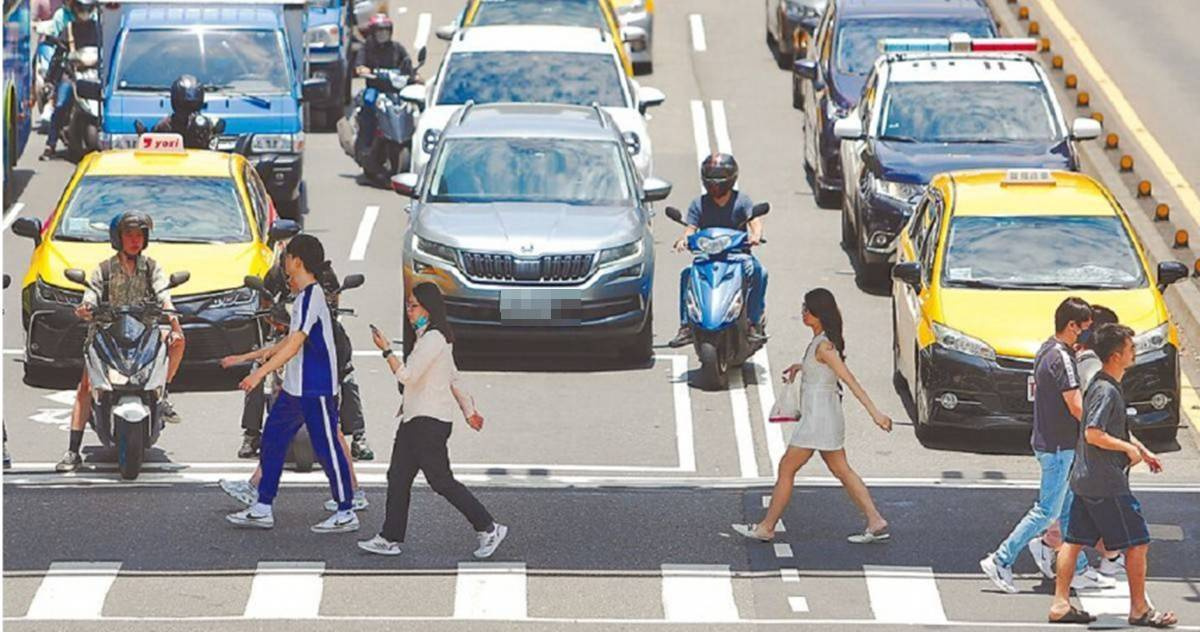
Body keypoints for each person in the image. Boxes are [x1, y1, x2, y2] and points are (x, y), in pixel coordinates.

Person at [357, 282, 507, 559]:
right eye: (408, 305)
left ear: (428, 308)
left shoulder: (433, 340)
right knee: (398, 477)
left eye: (414, 306)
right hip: (415, 420)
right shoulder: (429, 338)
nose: (409, 311)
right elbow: (454, 378)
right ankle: (389, 537)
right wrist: (469, 411)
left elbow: (407, 376)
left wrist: (387, 350)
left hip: (429, 422)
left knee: (440, 481)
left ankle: (488, 527)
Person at [731, 288, 893, 544]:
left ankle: (766, 527)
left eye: (807, 309)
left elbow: (848, 379)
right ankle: (875, 520)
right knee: (842, 470)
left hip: (818, 420)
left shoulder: (824, 346)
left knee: (787, 467)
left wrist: (876, 413)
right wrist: (801, 367)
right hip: (823, 417)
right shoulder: (820, 341)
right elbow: (822, 372)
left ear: (819, 314)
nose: (803, 313)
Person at [224, 234, 357, 533]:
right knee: (272, 439)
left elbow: (295, 344)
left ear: (297, 261)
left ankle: (346, 510)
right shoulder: (302, 297)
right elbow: (288, 341)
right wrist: (247, 357)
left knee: (327, 447)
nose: (284, 264)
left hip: (316, 388)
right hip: (296, 388)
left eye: (286, 257)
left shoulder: (312, 296)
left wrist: (258, 374)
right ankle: (262, 506)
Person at [980, 298, 1112, 593]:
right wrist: (1100, 431)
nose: (1087, 335)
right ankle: (1000, 559)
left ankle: (1077, 569)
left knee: (1067, 512)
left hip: (1054, 443)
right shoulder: (1062, 358)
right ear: (1071, 326)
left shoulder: (1047, 349)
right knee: (1046, 511)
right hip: (1059, 447)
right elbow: (1075, 405)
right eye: (1085, 328)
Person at [1049, 323, 1176, 627]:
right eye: (1131, 348)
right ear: (1116, 356)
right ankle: (1139, 609)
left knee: (1073, 541)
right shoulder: (1106, 389)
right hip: (1106, 482)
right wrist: (1127, 449)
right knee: (1138, 542)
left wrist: (1141, 449)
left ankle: (1060, 604)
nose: (1135, 352)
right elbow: (1094, 432)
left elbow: (1114, 429)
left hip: (1086, 478)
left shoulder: (1102, 384)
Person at [57, 212, 186, 472]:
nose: (135, 240)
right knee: (85, 386)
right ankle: (72, 450)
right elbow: (90, 295)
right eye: (129, 235)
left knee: (178, 342)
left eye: (139, 235)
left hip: (144, 333)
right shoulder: (104, 270)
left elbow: (164, 295)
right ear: (118, 238)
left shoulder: (151, 268)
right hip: (106, 334)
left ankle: (163, 393)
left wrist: (174, 324)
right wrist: (85, 309)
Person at [229, 260, 375, 461]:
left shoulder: (324, 271)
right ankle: (251, 435)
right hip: (286, 331)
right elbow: (265, 304)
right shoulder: (276, 273)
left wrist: (328, 308)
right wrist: (275, 319)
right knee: (258, 369)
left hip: (321, 333)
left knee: (346, 373)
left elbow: (335, 299)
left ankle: (359, 437)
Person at [668, 153, 768, 348]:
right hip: (707, 256)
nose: (715, 186)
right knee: (687, 274)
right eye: (711, 181)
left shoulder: (742, 201)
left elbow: (754, 221)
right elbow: (690, 229)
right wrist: (683, 240)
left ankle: (753, 322)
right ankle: (686, 326)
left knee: (759, 272)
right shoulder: (699, 204)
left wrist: (756, 235)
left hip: (737, 256)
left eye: (719, 181)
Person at [36, 0, 98, 160]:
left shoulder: (99, 29)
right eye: (81, 8)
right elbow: (58, 54)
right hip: (72, 74)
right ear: (75, 8)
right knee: (61, 104)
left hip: (94, 74)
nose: (84, 12)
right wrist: (50, 79)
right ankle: (50, 145)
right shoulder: (68, 28)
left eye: (87, 8)